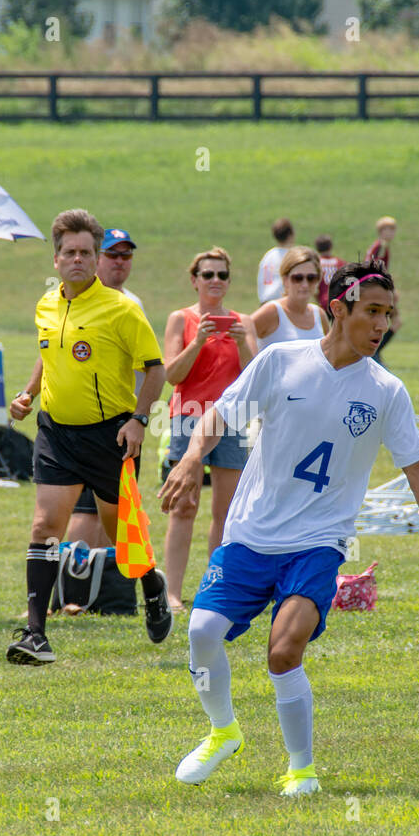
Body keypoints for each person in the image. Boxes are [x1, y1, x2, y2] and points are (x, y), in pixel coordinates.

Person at [159, 260, 419, 797]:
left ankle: (301, 770)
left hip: (318, 544)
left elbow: (418, 467)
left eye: (388, 314)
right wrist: (191, 459)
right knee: (201, 633)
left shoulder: (386, 390)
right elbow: (220, 415)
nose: (382, 325)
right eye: (372, 312)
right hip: (251, 532)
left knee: (284, 651)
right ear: (337, 309)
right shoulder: (281, 361)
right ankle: (223, 732)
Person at [7, 209, 172, 666]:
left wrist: (138, 420)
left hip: (109, 435)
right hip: (56, 433)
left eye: (86, 252)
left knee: (123, 537)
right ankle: (36, 634)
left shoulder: (121, 309)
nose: (77, 259)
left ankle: (152, 586)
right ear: (57, 259)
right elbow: (50, 354)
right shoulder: (46, 305)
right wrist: (27, 393)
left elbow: (154, 369)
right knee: (45, 527)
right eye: (69, 252)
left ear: (97, 259)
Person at [162, 247, 257, 612]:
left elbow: (253, 377)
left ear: (229, 281)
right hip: (188, 417)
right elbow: (173, 375)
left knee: (226, 509)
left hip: (232, 418)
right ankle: (172, 592)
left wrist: (240, 342)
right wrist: (198, 340)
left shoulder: (242, 322)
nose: (215, 281)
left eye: (221, 275)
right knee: (184, 506)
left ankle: (213, 586)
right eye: (208, 275)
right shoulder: (180, 319)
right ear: (195, 280)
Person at [66, 227, 144, 551]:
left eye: (126, 255)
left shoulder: (132, 303)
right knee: (85, 508)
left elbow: (149, 365)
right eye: (112, 254)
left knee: (116, 510)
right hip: (84, 422)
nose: (120, 262)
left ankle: (105, 583)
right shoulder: (79, 300)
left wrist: (139, 418)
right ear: (97, 259)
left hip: (124, 421)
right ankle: (74, 589)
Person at [252, 246, 327, 352]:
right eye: (298, 278)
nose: (305, 284)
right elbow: (241, 337)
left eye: (311, 278)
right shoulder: (272, 311)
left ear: (318, 280)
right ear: (285, 280)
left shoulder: (319, 315)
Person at [366, 217, 399, 365]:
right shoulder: (380, 247)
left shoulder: (381, 246)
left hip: (380, 290)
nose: (392, 233)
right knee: (392, 322)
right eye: (389, 229)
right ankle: (375, 351)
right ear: (381, 231)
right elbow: (372, 269)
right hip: (379, 291)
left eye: (393, 229)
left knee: (391, 322)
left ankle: (376, 351)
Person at [256, 217, 294, 306]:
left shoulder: (268, 256)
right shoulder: (291, 256)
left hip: (264, 301)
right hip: (280, 302)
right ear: (290, 234)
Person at [314, 234, 345, 314]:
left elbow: (315, 288)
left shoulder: (316, 264)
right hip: (339, 301)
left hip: (323, 301)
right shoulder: (340, 263)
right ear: (331, 246)